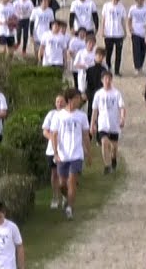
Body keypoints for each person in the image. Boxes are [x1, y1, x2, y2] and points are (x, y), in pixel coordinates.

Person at [49, 87, 91, 219]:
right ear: (70, 99)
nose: (80, 101)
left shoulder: (82, 116)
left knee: (72, 181)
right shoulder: (59, 116)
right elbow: (54, 135)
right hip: (63, 154)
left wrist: (88, 153)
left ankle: (70, 208)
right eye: (77, 98)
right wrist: (55, 153)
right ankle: (68, 198)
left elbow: (85, 135)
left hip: (76, 154)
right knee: (62, 184)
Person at [91, 70, 126, 174]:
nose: (107, 81)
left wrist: (122, 118)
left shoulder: (116, 93)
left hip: (114, 123)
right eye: (105, 79)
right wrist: (92, 124)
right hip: (103, 123)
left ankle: (113, 158)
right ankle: (107, 165)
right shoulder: (98, 94)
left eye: (109, 78)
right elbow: (95, 110)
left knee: (114, 147)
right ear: (102, 80)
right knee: (104, 142)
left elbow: (122, 107)